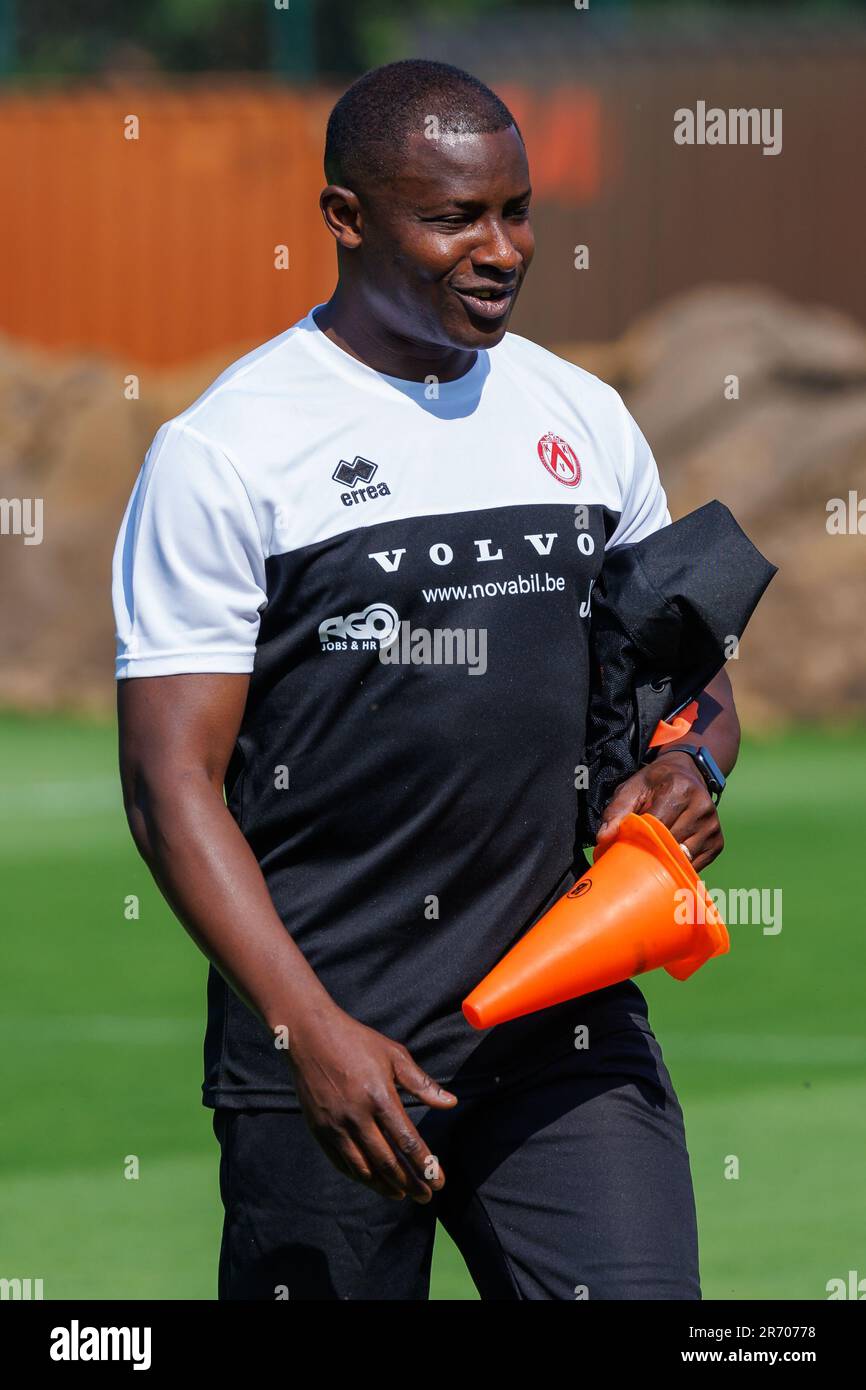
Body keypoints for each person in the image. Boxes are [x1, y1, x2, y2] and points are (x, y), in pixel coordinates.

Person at [112, 59, 739, 1301]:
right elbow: (168, 783)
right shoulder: (228, 451)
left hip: (563, 1020)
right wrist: (311, 1034)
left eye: (515, 212)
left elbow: (688, 676)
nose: (498, 248)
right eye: (453, 217)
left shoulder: (586, 416)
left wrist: (687, 761)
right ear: (346, 217)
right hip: (329, 1047)